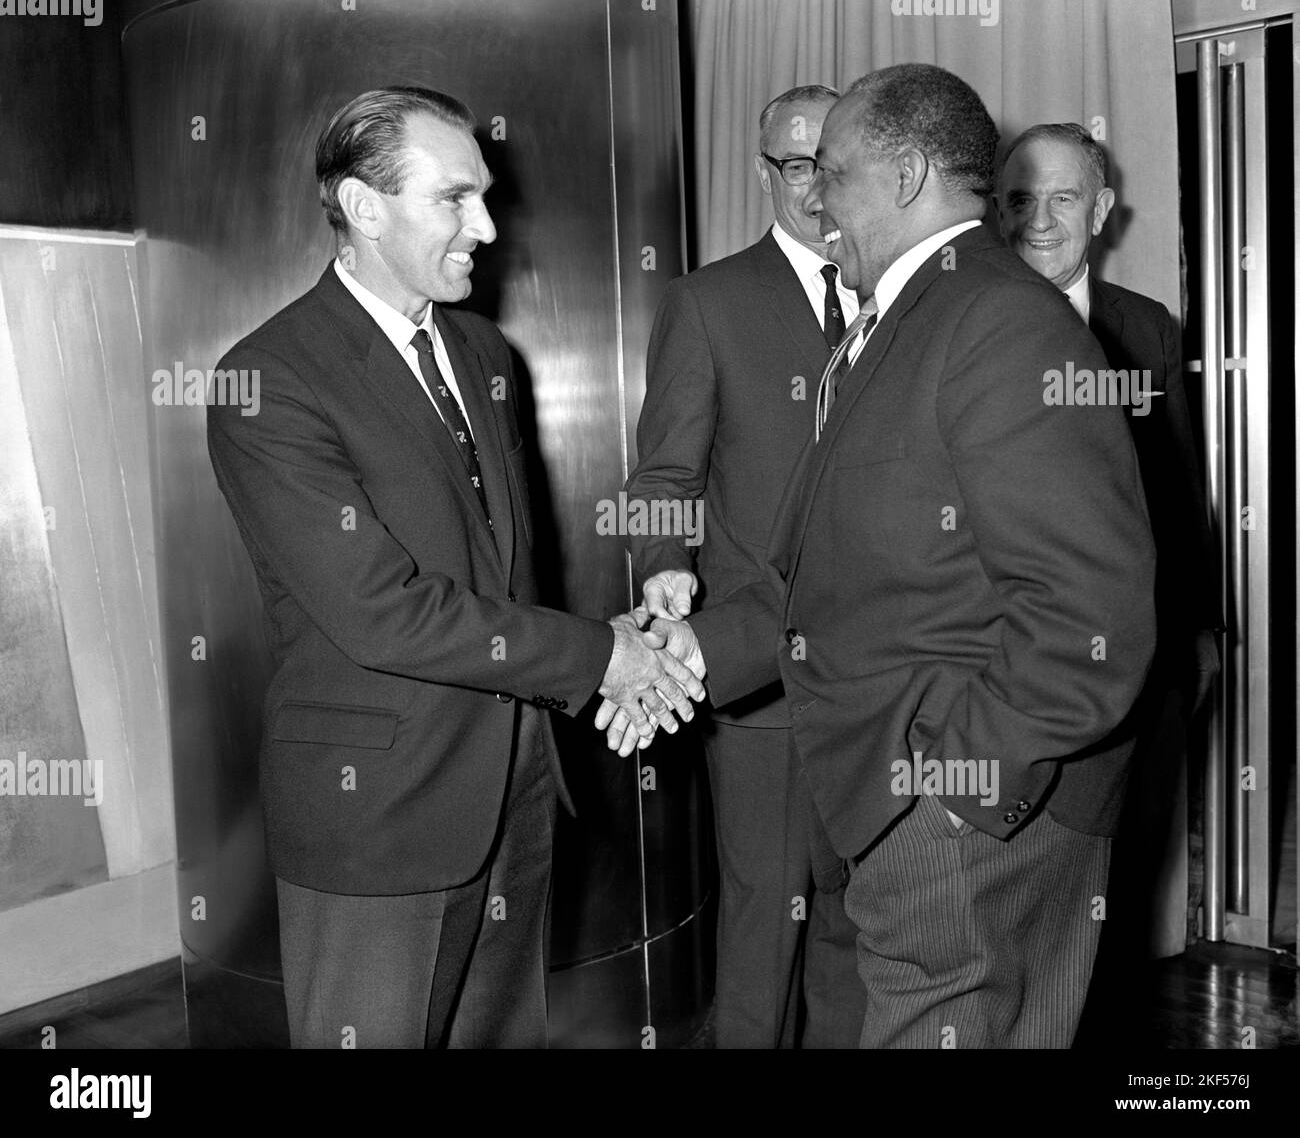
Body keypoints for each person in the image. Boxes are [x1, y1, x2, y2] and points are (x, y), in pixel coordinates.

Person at [604, 63, 1157, 1048]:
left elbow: (1092, 618)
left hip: (968, 828)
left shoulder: (997, 321)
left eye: (836, 172)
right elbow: (829, 570)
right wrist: (697, 647)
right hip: (907, 802)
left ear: (903, 177)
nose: (817, 199)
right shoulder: (905, 319)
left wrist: (952, 803)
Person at [206, 85, 704, 1050]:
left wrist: (614, 664)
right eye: (454, 198)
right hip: (379, 816)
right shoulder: (264, 381)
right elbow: (381, 610)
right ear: (362, 207)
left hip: (517, 796)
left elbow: (507, 575)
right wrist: (601, 660)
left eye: (484, 195)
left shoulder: (483, 351)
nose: (485, 223)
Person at [624, 85, 866, 1049]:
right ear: (766, 172)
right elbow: (664, 472)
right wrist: (662, 564)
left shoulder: (911, 295)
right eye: (796, 165)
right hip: (760, 677)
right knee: (767, 920)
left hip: (882, 678)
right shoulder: (707, 301)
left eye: (833, 163)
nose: (816, 187)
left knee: (858, 921)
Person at [996, 122, 1222, 1034]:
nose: (1039, 220)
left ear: (1101, 209)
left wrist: (1202, 628)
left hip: (1138, 663)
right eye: (1019, 199)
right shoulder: (964, 319)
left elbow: (1178, 489)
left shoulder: (1145, 330)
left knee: (1119, 893)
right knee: (1016, 903)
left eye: (1061, 198)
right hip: (1011, 670)